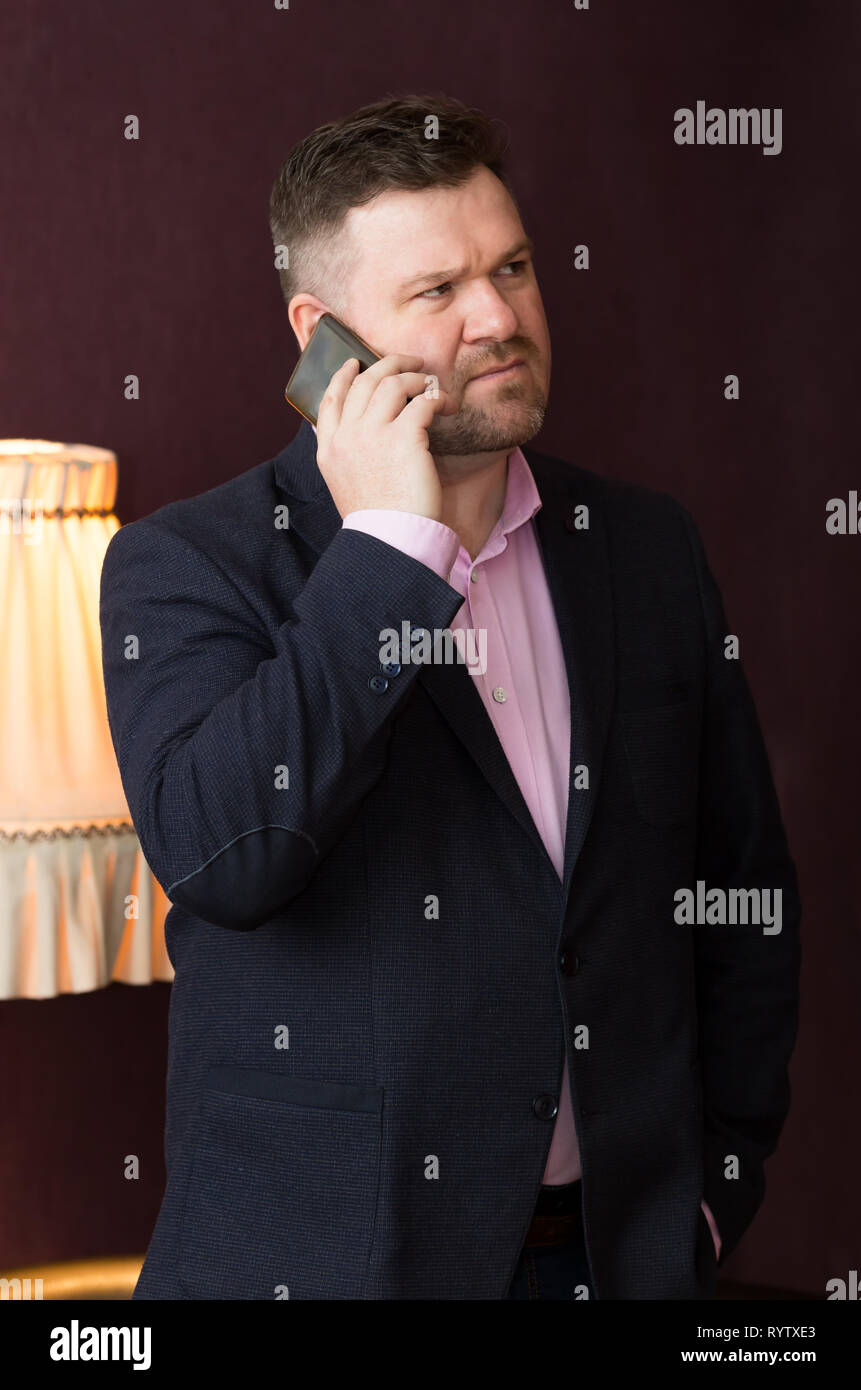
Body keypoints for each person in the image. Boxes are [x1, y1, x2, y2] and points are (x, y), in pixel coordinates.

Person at [99, 93, 800, 1300]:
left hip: (616, 1262)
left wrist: (706, 1196)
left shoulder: (642, 549)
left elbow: (742, 893)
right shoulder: (188, 564)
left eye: (513, 267)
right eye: (437, 292)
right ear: (323, 337)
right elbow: (228, 856)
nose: (499, 317)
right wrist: (387, 549)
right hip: (323, 1271)